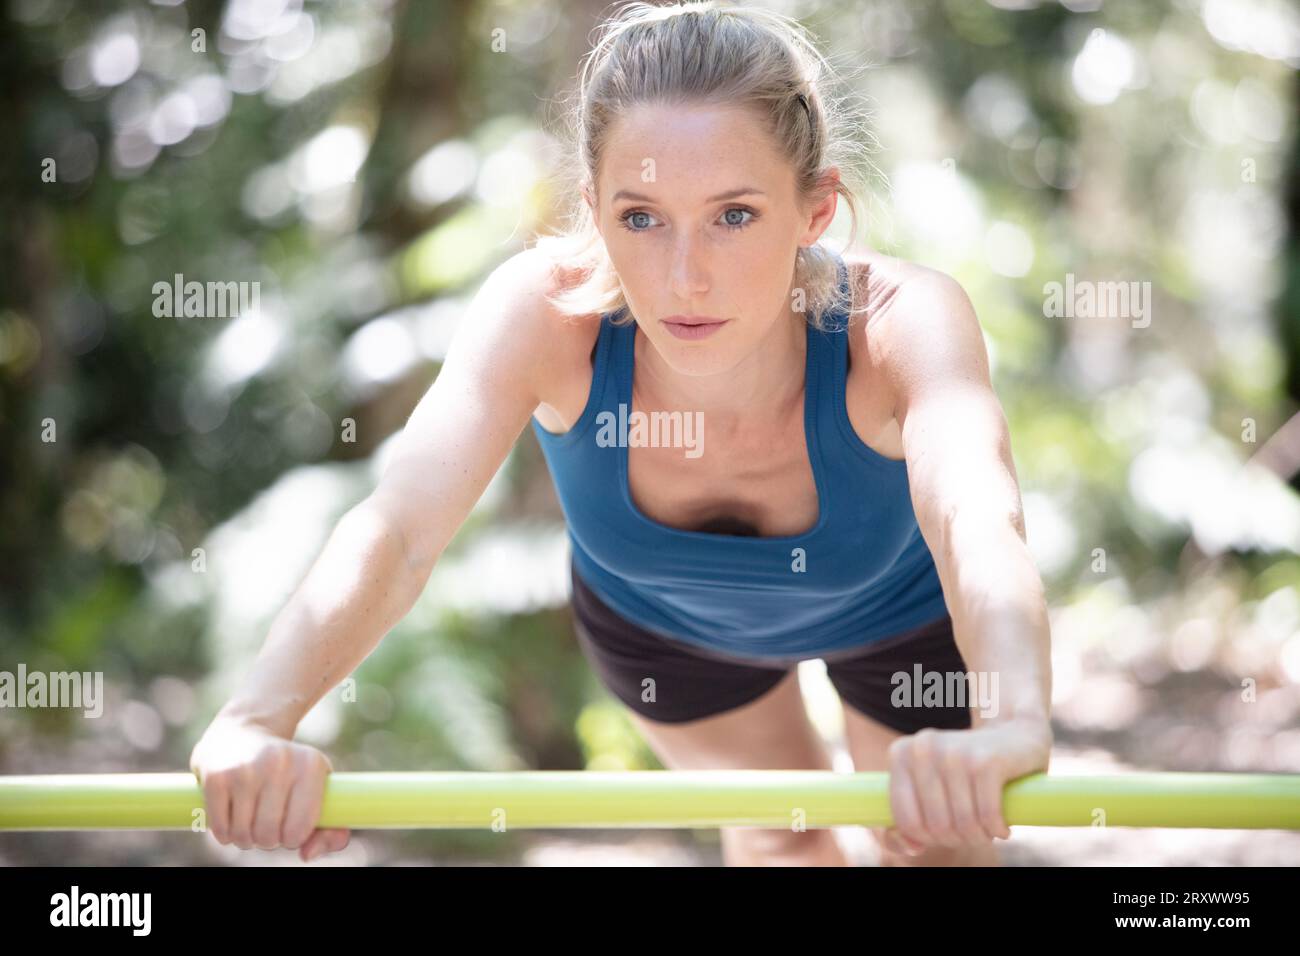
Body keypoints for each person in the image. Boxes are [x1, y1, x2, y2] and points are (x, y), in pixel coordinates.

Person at [190, 0, 1053, 867]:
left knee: (935, 852)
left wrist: (1012, 720)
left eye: (735, 214)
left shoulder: (899, 322)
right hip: (666, 631)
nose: (686, 277)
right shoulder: (546, 314)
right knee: (780, 841)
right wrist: (255, 719)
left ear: (816, 209)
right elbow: (402, 527)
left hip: (904, 620)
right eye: (641, 218)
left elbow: (976, 522)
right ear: (594, 208)